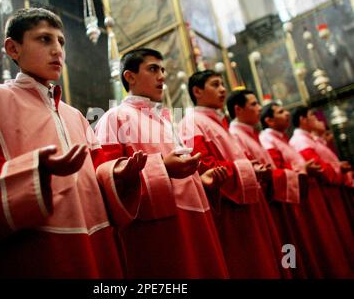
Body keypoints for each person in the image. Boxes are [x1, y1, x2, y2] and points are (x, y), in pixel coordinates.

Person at [0, 8, 145, 278]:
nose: (57, 50)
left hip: (91, 247)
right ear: (13, 48)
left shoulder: (76, 116)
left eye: (61, 42)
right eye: (45, 39)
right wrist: (34, 173)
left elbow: (98, 169)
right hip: (29, 252)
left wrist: (119, 174)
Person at [94, 48, 229, 278]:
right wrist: (163, 168)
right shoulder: (114, 117)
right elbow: (109, 183)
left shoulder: (165, 120)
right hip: (156, 228)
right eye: (153, 69)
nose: (162, 76)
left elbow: (179, 170)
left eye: (163, 70)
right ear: (130, 76)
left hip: (194, 218)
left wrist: (201, 182)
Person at [179, 70, 287, 279]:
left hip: (249, 200)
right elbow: (203, 165)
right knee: (247, 265)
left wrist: (253, 169)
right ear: (197, 91)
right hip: (229, 206)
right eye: (215, 84)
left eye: (222, 84)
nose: (222, 89)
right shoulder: (191, 122)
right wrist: (248, 170)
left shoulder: (220, 123)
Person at [260, 102, 353, 278]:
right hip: (297, 197)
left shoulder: (281, 138)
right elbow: (275, 169)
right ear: (269, 120)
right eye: (280, 111)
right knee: (311, 243)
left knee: (329, 240)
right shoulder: (270, 138)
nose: (286, 113)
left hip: (310, 193)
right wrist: (305, 169)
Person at [226, 90, 310, 278]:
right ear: (238, 109)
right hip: (265, 201)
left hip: (275, 198)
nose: (258, 108)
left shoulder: (252, 134)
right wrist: (293, 175)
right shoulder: (236, 134)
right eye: (254, 104)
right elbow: (257, 170)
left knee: (289, 249)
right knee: (279, 253)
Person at [289, 106, 354, 263]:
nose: (317, 119)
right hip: (324, 192)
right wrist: (339, 169)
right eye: (312, 116)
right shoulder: (300, 140)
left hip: (333, 190)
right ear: (302, 120)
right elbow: (319, 169)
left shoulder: (307, 138)